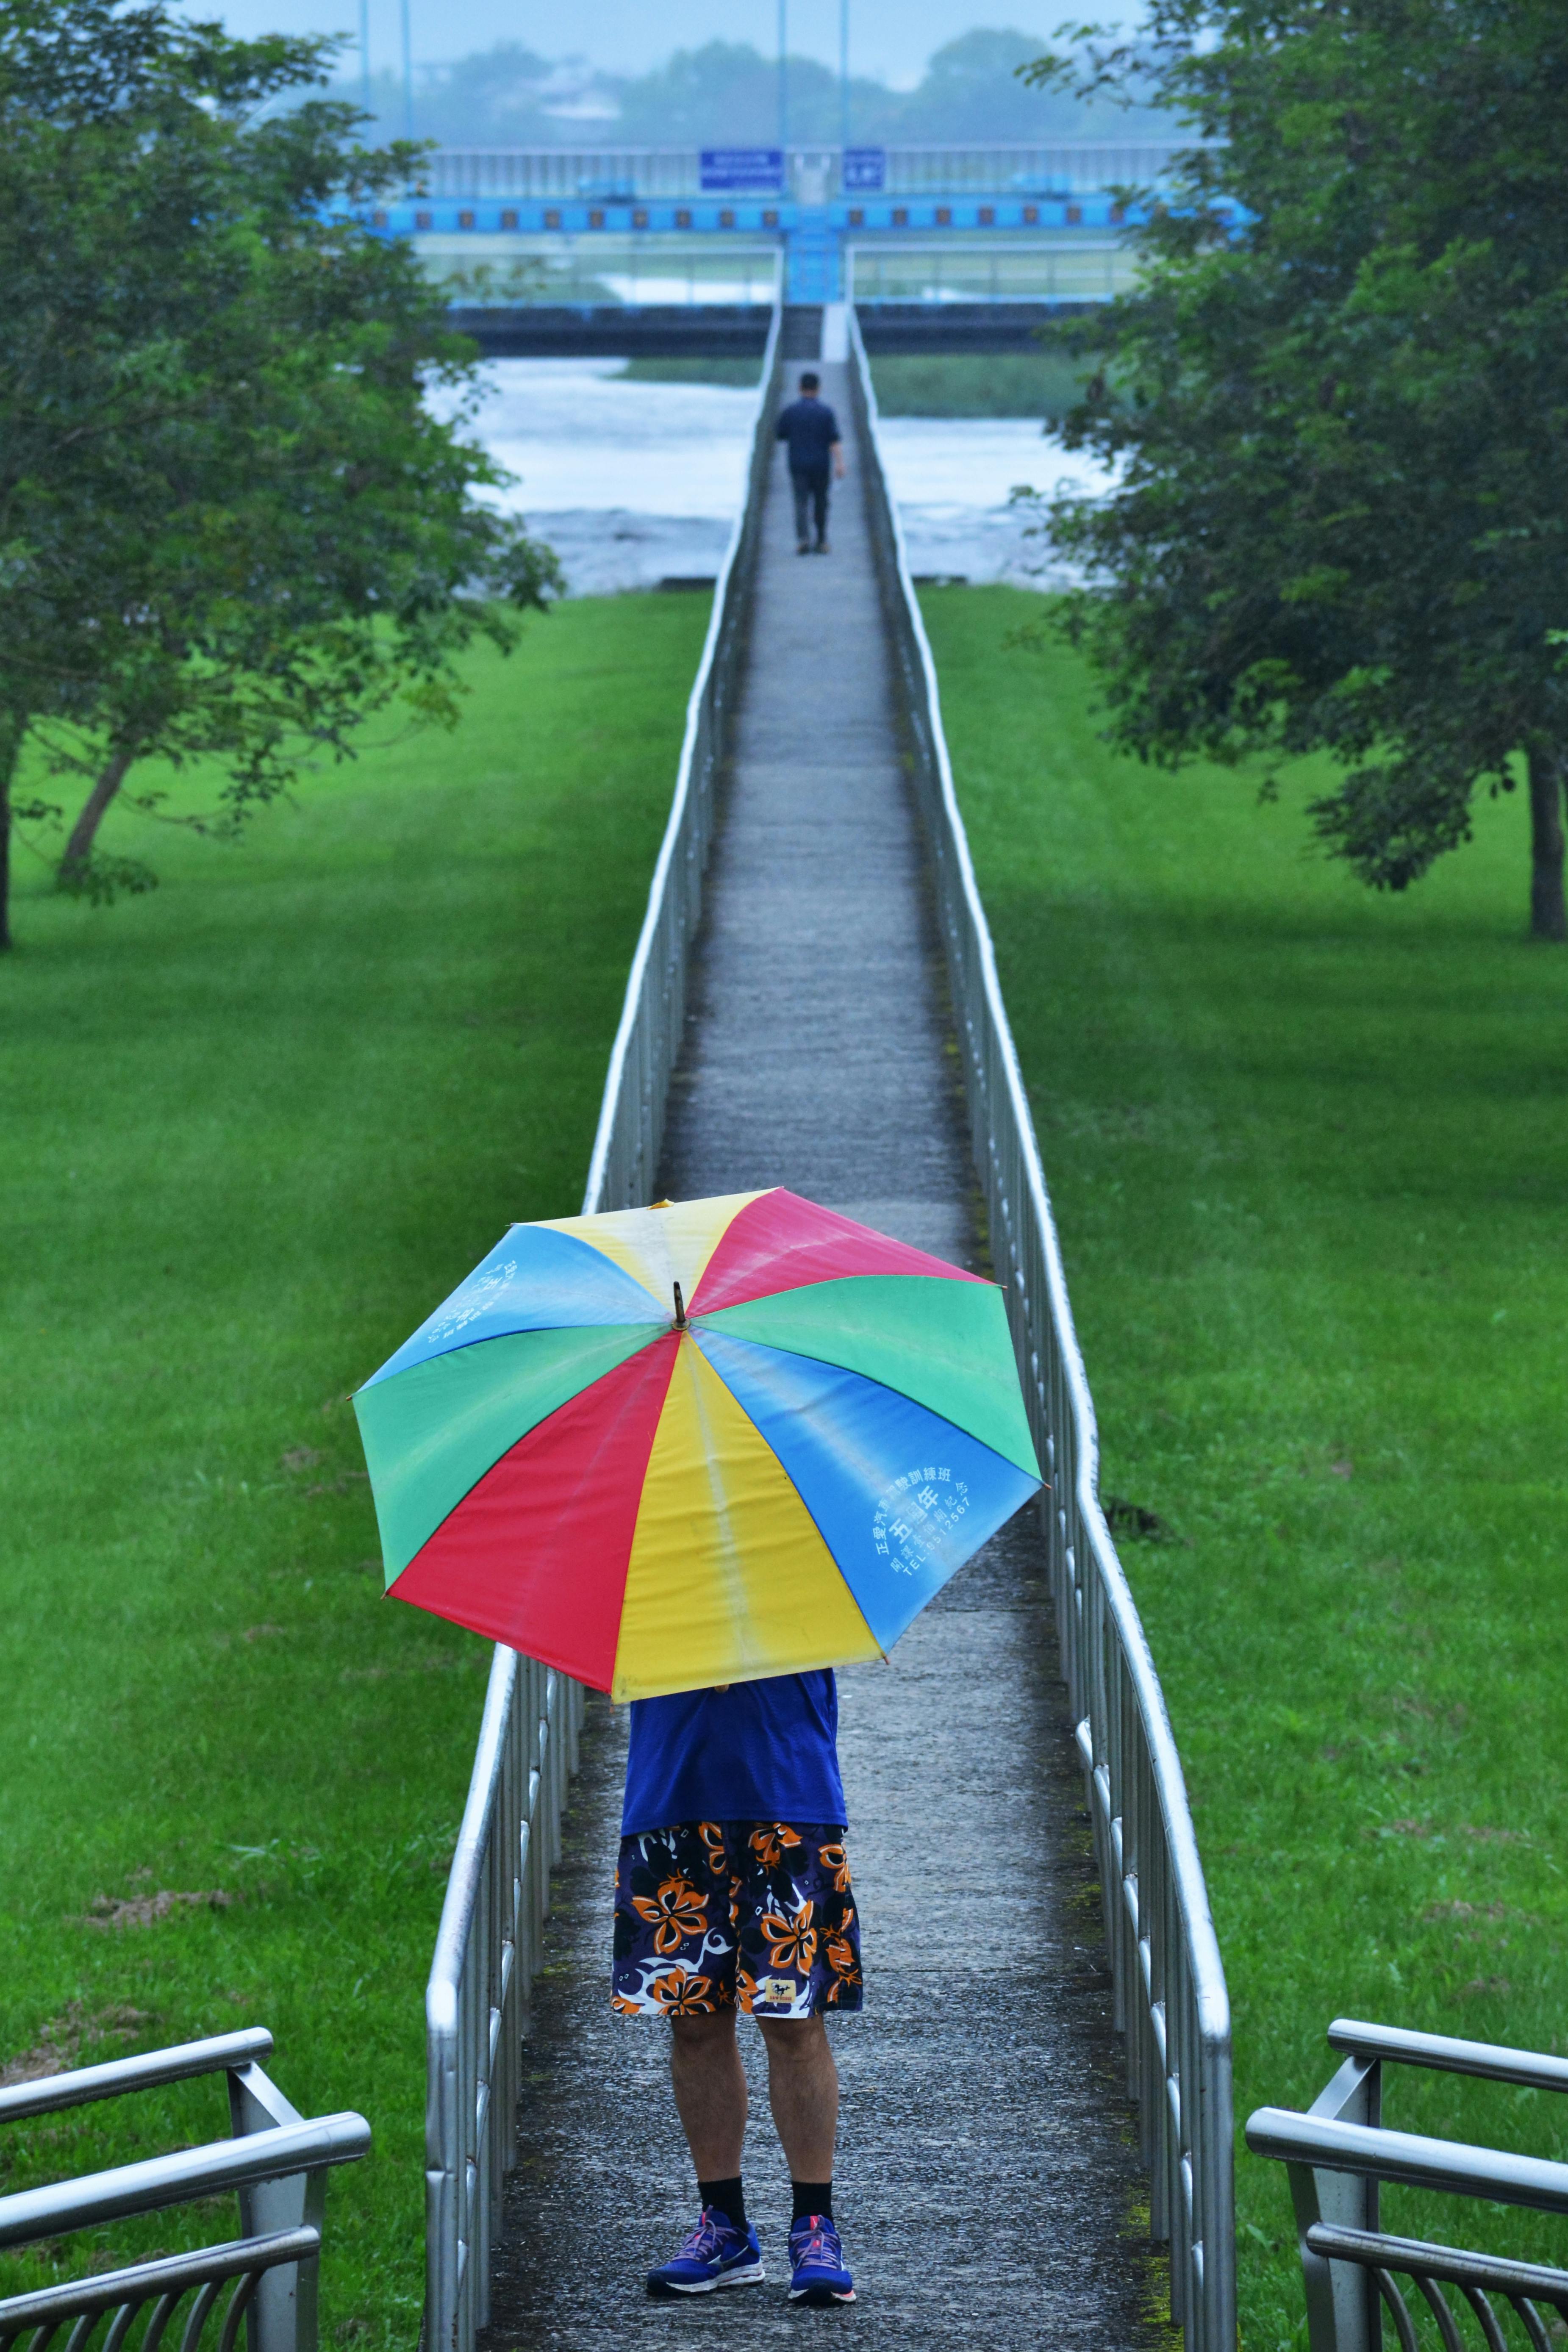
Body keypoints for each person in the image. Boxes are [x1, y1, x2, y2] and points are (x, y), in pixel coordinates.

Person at [613, 1670, 860, 2305]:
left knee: (793, 2020)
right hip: (671, 1792)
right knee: (693, 2023)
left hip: (786, 1791)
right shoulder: (649, 1571)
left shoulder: (802, 1565)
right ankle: (723, 2225)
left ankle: (815, 2225)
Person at [775, 370, 846, 555]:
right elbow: (834, 440)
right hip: (821, 465)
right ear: (818, 389)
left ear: (800, 388)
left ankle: (803, 539)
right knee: (821, 502)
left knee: (801, 502)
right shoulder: (826, 412)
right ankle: (821, 540)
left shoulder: (790, 412)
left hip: (798, 464)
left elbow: (781, 435)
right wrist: (840, 463)